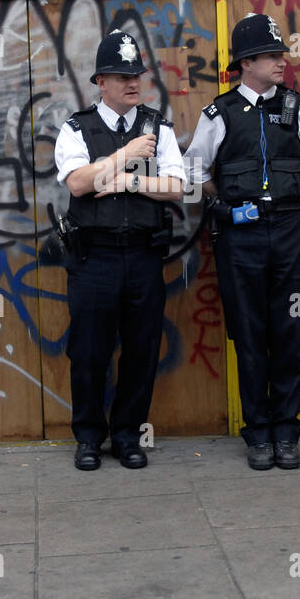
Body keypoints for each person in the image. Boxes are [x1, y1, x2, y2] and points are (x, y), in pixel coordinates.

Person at [183, 13, 300, 470]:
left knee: (291, 330)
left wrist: (282, 209)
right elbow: (193, 175)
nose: (281, 61)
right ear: (246, 63)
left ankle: (287, 432)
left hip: (290, 233)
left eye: (280, 53)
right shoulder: (219, 114)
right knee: (249, 333)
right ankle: (258, 434)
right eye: (271, 55)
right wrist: (228, 204)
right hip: (240, 238)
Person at [54, 30, 185, 470]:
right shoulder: (77, 128)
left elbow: (175, 188)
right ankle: (89, 437)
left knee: (141, 348)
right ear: (100, 82)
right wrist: (126, 154)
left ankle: (128, 436)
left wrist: (125, 181)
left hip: (144, 255)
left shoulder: (158, 127)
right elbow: (77, 183)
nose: (133, 82)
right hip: (94, 258)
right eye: (121, 75)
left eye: (136, 75)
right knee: (89, 351)